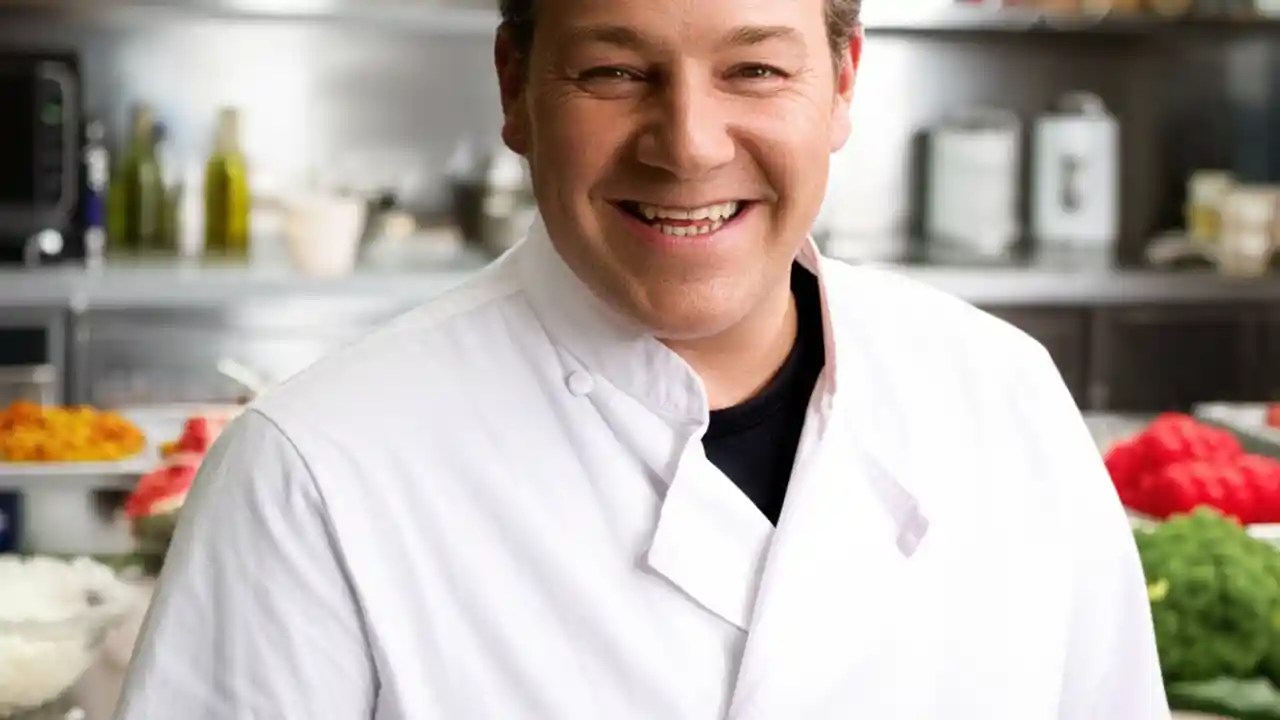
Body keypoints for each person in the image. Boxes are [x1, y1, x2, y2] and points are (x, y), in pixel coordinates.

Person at [113, 0, 1169, 716]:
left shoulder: (1002, 395)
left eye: (755, 69)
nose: (689, 143)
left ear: (842, 82)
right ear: (516, 87)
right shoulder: (313, 469)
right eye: (615, 72)